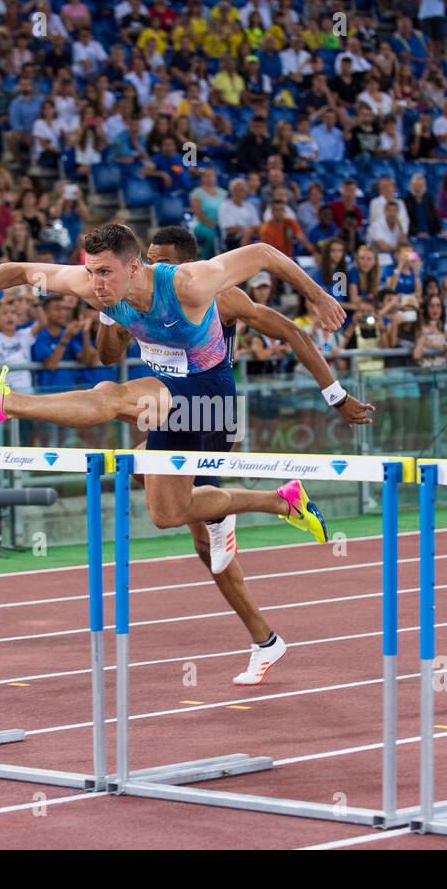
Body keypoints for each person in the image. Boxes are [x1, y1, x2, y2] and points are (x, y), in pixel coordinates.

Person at [0, 222, 366, 544]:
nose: (96, 283)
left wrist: (319, 295)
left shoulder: (189, 284)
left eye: (106, 273)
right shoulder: (95, 286)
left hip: (212, 398)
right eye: (91, 272)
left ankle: (5, 403)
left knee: (113, 396)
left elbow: (265, 253)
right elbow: (20, 270)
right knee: (169, 512)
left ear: (134, 268)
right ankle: (282, 501)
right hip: (167, 395)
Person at [95, 226, 369, 684]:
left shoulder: (219, 296)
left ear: (185, 266)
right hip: (171, 408)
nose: (151, 270)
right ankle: (264, 623)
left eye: (163, 262)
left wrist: (336, 396)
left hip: (210, 415)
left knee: (193, 530)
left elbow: (291, 334)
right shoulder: (133, 296)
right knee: (150, 478)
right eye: (147, 260)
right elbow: (105, 357)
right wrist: (108, 315)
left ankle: (274, 513)